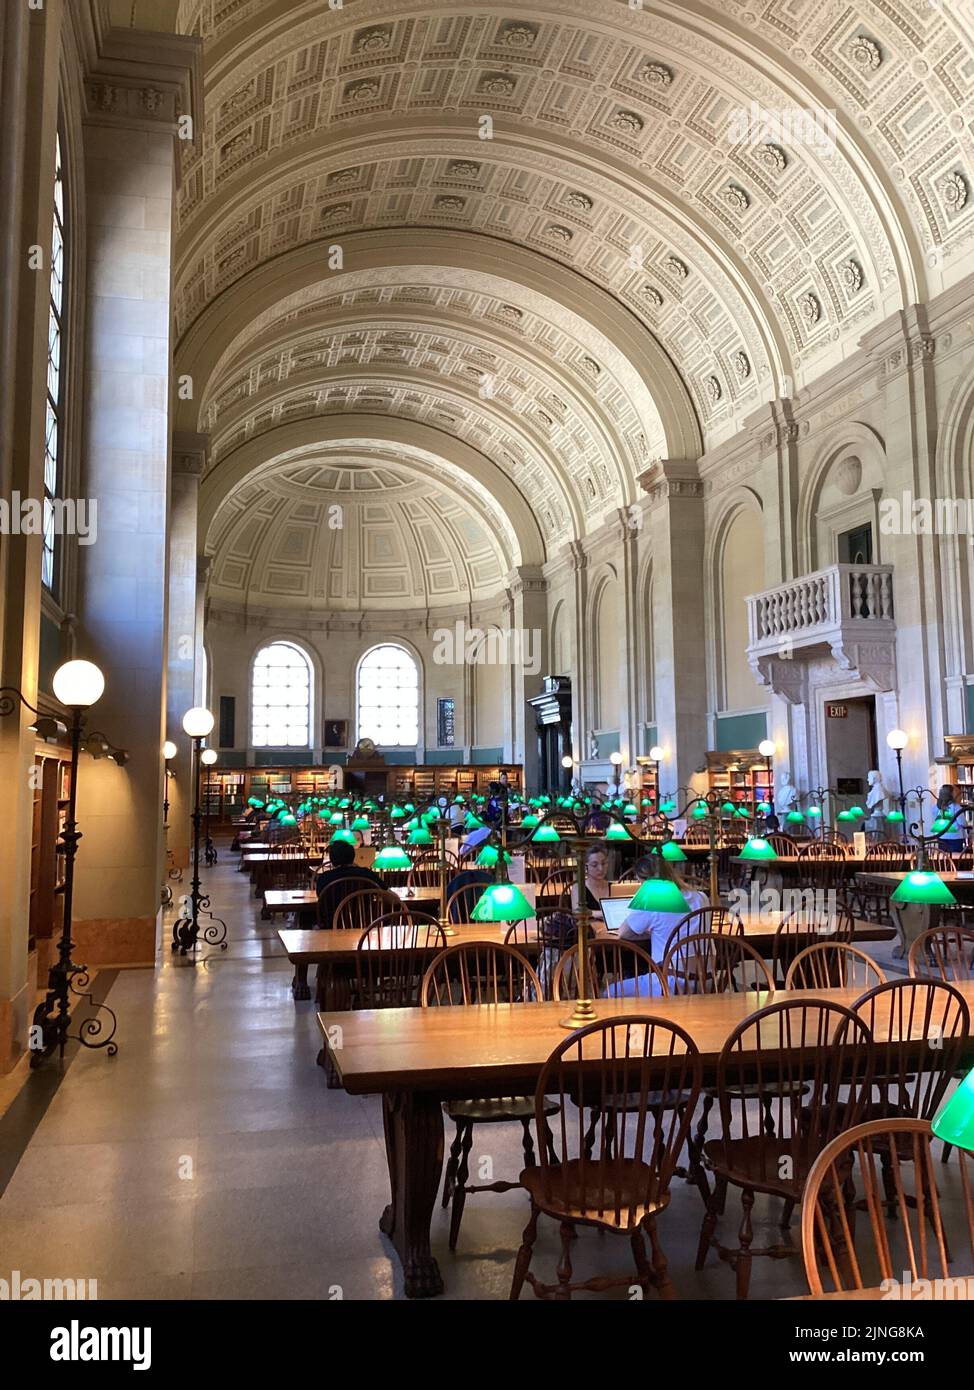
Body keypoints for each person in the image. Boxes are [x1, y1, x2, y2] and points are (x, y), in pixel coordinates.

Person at [612, 855, 710, 996]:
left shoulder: (652, 900)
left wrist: (649, 932)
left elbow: (623, 933)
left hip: (671, 982)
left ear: (646, 882)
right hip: (707, 981)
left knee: (610, 991)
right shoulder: (701, 897)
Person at [314, 839, 385, 926]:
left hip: (331, 929)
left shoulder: (324, 878)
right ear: (353, 856)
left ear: (331, 859)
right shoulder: (366, 874)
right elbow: (392, 898)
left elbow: (320, 900)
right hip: (363, 928)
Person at [571, 845, 611, 916]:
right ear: (586, 866)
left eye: (603, 863)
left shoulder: (614, 887)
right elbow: (577, 912)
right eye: (594, 865)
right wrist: (604, 914)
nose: (601, 868)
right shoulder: (578, 888)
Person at [935, 783, 967, 856]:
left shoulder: (937, 806)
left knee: (944, 858)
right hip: (955, 837)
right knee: (955, 858)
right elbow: (962, 823)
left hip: (941, 835)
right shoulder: (956, 807)